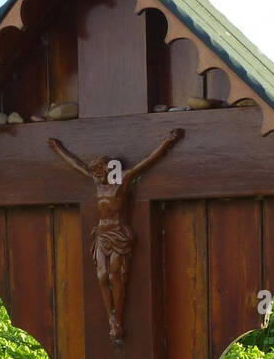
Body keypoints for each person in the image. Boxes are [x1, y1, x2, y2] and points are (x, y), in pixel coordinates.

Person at [48, 128, 184, 342]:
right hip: (101, 236)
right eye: (94, 173)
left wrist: (167, 142)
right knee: (102, 277)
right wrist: (58, 149)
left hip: (118, 234)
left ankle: (117, 319)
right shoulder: (96, 182)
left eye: (98, 172)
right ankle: (111, 318)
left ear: (107, 169)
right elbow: (76, 165)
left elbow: (147, 161)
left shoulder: (123, 180)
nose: (96, 176)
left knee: (116, 277)